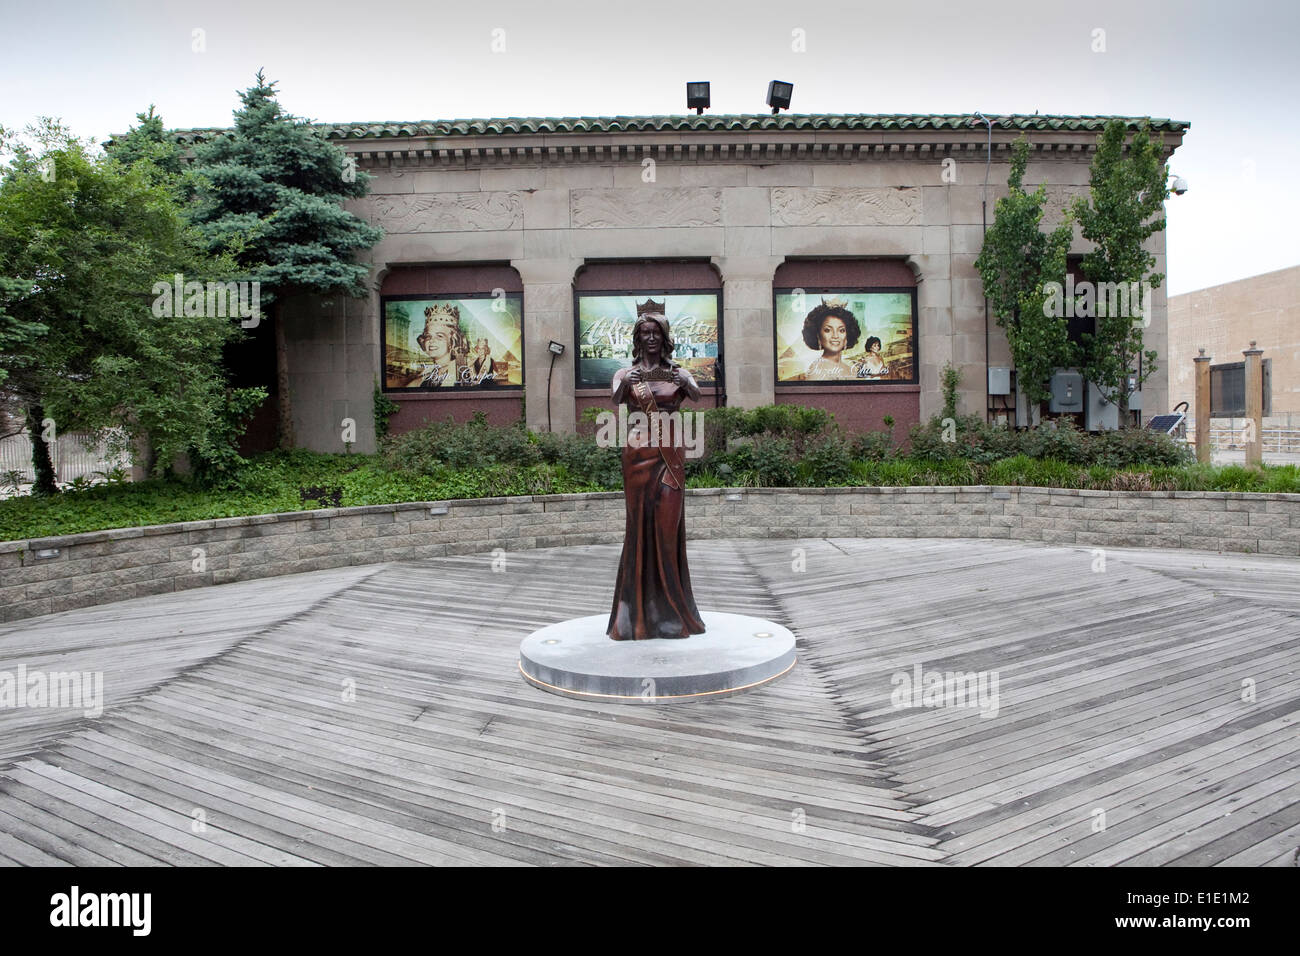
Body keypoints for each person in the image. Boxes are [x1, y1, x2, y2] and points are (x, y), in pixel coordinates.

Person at [607, 306, 706, 641]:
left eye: (656, 333)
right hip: (636, 455)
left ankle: (672, 612)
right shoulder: (625, 374)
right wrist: (627, 384)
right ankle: (635, 616)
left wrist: (685, 379)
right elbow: (616, 398)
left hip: (670, 456)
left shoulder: (677, 372)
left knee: (667, 530)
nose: (650, 338)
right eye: (644, 333)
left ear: (665, 338)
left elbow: (697, 394)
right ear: (637, 339)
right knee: (637, 528)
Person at [801, 298, 861, 380]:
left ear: (848, 335)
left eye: (841, 330)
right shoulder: (816, 370)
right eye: (827, 330)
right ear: (818, 335)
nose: (835, 336)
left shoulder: (851, 370)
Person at [416, 305, 469, 387]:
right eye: (428, 336)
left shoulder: (462, 374)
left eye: (439, 336)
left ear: (452, 342)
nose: (431, 341)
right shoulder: (426, 377)